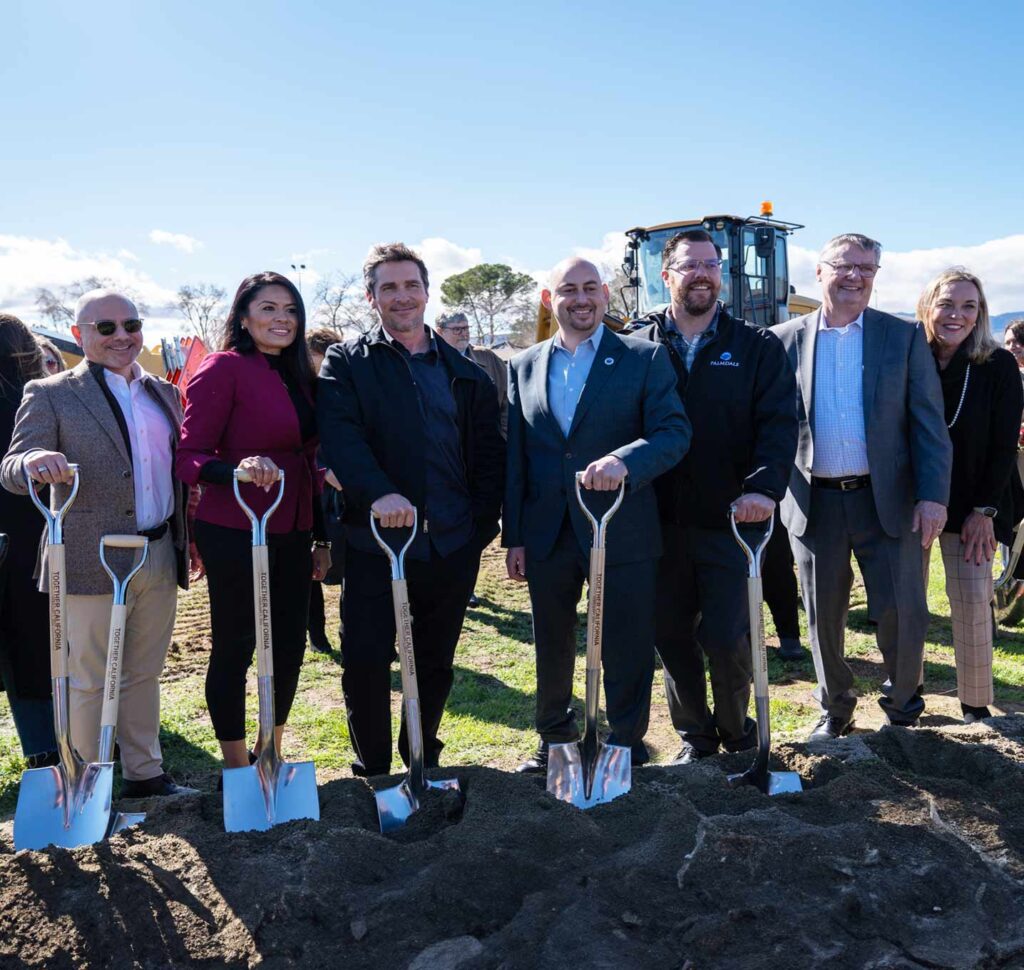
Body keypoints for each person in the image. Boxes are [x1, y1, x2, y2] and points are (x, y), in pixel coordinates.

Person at [318, 242, 504, 777]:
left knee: (435, 661)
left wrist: (479, 525)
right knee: (367, 659)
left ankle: (420, 754)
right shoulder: (349, 362)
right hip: (377, 541)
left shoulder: (464, 371)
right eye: (389, 287)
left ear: (426, 291)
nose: (402, 297)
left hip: (450, 541)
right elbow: (341, 437)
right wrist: (378, 493)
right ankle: (374, 767)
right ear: (371, 296)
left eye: (411, 285)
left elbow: (489, 453)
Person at [1, 291, 195, 796]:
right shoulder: (50, 392)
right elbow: (12, 465)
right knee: (86, 678)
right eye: (105, 327)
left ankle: (145, 774)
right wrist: (32, 462)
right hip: (90, 556)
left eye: (130, 323)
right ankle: (85, 783)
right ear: (79, 332)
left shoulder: (164, 394)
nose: (121, 336)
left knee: (142, 673)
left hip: (156, 551)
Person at [504, 256, 691, 773]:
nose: (581, 299)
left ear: (606, 295)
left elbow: (674, 433)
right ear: (550, 299)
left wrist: (623, 461)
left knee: (627, 641)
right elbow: (517, 456)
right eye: (569, 289)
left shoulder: (643, 358)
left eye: (591, 289)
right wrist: (514, 536)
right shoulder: (523, 365)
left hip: (621, 526)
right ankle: (554, 740)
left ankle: (624, 741)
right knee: (552, 643)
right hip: (548, 531)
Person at [772, 234, 952, 739]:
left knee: (904, 610)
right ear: (820, 272)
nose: (856, 277)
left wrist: (934, 496)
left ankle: (902, 706)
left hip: (887, 501)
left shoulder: (903, 338)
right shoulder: (783, 340)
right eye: (846, 267)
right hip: (813, 502)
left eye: (867, 269)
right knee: (822, 613)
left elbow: (928, 425)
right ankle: (835, 708)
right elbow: (769, 425)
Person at [628, 230, 798, 764]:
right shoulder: (636, 344)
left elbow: (779, 424)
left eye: (710, 264)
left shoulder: (756, 345)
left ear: (720, 272)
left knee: (727, 637)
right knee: (672, 638)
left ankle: (737, 732)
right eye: (688, 265)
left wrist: (764, 489)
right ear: (666, 273)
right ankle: (696, 737)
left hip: (731, 519)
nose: (701, 274)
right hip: (655, 521)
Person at [177, 272, 330, 771]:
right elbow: (189, 456)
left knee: (288, 643)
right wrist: (236, 471)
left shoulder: (304, 375)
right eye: (268, 308)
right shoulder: (223, 369)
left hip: (295, 523)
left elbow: (312, 459)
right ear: (243, 317)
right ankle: (237, 763)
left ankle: (273, 749)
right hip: (236, 525)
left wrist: (322, 536)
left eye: (290, 309)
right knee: (237, 641)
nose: (281, 319)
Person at [918, 269, 1023, 722]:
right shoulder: (911, 356)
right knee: (906, 605)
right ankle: (906, 694)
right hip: (915, 500)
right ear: (928, 306)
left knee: (973, 604)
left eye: (969, 306)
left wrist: (985, 511)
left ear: (980, 314)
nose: (956, 315)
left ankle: (976, 705)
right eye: (946, 304)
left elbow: (1004, 446)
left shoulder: (997, 364)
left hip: (977, 502)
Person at [0, 315, 58, 768]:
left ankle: (41, 751)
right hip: (44, 533)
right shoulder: (44, 397)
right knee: (54, 644)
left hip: (17, 538)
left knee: (21, 655)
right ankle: (91, 742)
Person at [306, 327, 346, 652]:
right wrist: (324, 470)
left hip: (346, 492)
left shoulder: (345, 390)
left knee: (352, 565)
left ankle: (352, 630)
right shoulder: (302, 393)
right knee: (312, 563)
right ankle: (316, 634)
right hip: (314, 491)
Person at [435, 311, 509, 437]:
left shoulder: (487, 357)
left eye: (466, 328)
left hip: (489, 443)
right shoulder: (430, 362)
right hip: (448, 446)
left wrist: (503, 434)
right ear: (440, 332)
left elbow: (510, 397)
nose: (464, 334)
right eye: (457, 329)